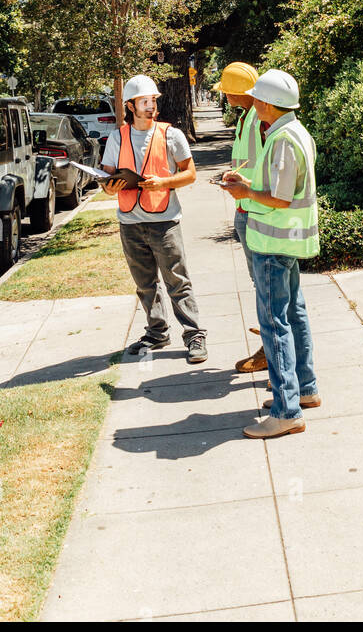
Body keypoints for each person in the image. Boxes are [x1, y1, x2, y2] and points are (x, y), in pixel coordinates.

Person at [222, 69, 320, 439]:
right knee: (294, 313)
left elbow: (278, 198)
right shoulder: (295, 132)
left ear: (266, 102)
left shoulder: (280, 138)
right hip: (287, 241)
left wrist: (244, 194)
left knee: (274, 323)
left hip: (271, 242)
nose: (255, 104)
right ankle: (305, 391)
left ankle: (286, 411)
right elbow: (281, 188)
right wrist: (249, 184)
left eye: (257, 99)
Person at [101, 74, 208, 365]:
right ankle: (157, 331)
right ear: (131, 106)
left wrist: (164, 182)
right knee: (145, 283)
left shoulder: (171, 135)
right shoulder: (117, 137)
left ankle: (194, 334)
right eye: (145, 102)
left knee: (177, 280)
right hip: (130, 222)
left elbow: (190, 173)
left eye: (153, 101)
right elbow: (106, 176)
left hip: (164, 221)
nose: (151, 107)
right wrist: (108, 186)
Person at [211, 61, 267, 374]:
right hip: (245, 208)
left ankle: (271, 352)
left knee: (265, 285)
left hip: (257, 210)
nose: (226, 96)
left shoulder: (261, 118)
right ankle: (270, 345)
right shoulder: (247, 116)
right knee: (259, 282)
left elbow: (269, 166)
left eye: (229, 90)